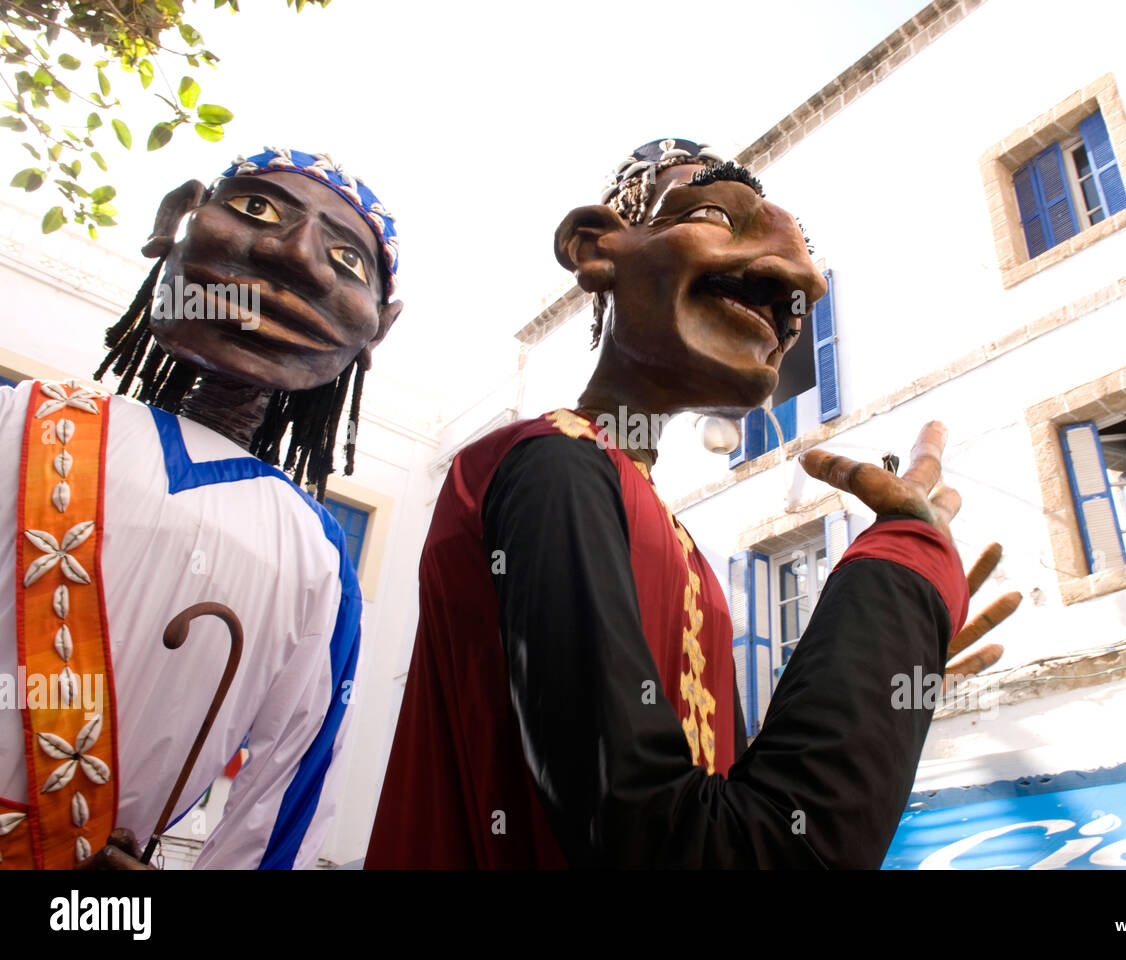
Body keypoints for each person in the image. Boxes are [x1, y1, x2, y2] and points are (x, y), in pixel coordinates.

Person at [366, 139, 1013, 869]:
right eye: (717, 214)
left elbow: (723, 802)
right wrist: (900, 576)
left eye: (805, 259)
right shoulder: (548, 463)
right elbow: (701, 850)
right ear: (596, 246)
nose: (801, 279)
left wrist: (881, 679)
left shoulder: (673, 542)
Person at [0, 147, 401, 869]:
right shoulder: (18, 420)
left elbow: (289, 791)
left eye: (347, 261)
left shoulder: (315, 555)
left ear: (377, 330)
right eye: (256, 209)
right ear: (174, 223)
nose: (296, 256)